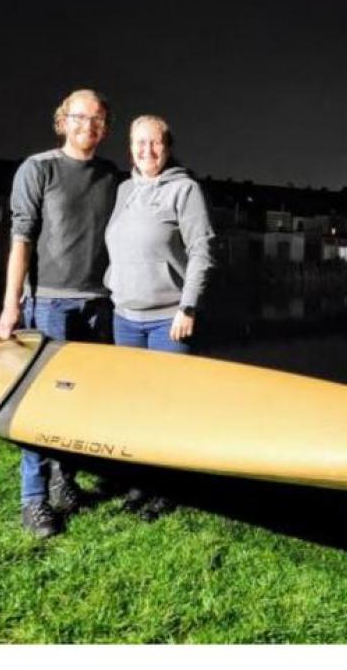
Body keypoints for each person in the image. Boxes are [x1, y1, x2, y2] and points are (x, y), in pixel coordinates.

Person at [0, 88, 120, 539]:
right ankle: (33, 499)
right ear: (63, 120)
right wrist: (11, 304)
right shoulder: (38, 169)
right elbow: (21, 240)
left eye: (97, 119)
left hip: (98, 304)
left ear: (105, 128)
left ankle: (63, 479)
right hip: (49, 303)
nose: (88, 126)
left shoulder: (111, 177)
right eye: (80, 117)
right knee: (40, 400)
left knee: (78, 401)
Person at [101, 114, 215, 519]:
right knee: (134, 404)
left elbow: (201, 252)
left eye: (155, 143)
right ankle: (140, 484)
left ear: (167, 147)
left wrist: (188, 306)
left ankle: (167, 488)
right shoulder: (124, 190)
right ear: (130, 147)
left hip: (170, 318)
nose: (146, 150)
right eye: (139, 142)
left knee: (168, 405)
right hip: (125, 316)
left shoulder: (185, 190)